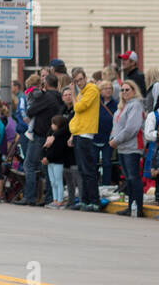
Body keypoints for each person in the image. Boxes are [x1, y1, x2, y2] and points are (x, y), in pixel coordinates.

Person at [18, 74, 60, 206]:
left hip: (40, 135)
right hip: (53, 135)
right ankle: (48, 197)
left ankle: (29, 197)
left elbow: (30, 111)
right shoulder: (59, 97)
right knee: (46, 167)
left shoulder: (46, 97)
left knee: (29, 165)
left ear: (46, 84)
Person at [109, 82, 144, 217]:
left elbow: (131, 128)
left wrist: (116, 140)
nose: (124, 92)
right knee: (128, 179)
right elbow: (116, 126)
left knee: (134, 177)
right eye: (122, 90)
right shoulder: (122, 107)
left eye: (127, 89)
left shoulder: (135, 105)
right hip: (122, 147)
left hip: (132, 147)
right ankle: (131, 207)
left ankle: (138, 207)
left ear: (134, 91)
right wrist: (113, 138)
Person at [70, 68, 102, 211]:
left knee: (88, 170)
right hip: (79, 132)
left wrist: (72, 94)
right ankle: (85, 200)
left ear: (85, 77)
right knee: (83, 170)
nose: (79, 83)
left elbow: (79, 107)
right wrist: (73, 134)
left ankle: (94, 201)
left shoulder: (91, 89)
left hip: (86, 134)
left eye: (80, 79)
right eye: (76, 81)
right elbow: (78, 116)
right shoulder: (83, 92)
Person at [43, 115, 71, 206]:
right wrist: (44, 157)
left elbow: (58, 151)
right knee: (52, 181)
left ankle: (60, 200)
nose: (51, 125)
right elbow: (45, 148)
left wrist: (48, 158)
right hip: (50, 161)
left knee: (58, 181)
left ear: (59, 125)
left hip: (57, 161)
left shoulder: (61, 137)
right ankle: (55, 199)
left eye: (53, 124)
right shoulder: (51, 135)